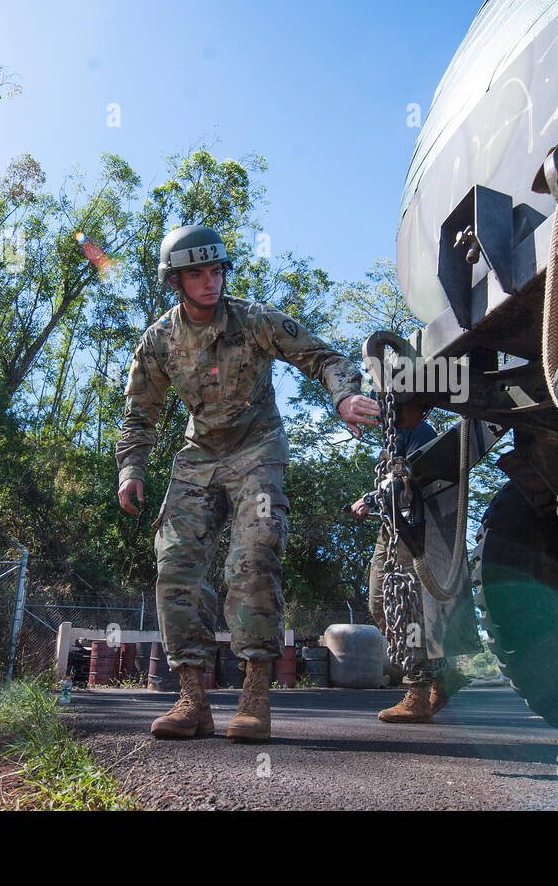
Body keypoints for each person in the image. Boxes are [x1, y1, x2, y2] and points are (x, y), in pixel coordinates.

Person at [117, 224, 379, 741]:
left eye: (216, 270)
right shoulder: (160, 339)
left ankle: (255, 696)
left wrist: (344, 396)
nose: (211, 281)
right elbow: (139, 412)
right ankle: (192, 701)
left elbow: (322, 357)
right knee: (174, 567)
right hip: (197, 458)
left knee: (254, 558)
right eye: (197, 273)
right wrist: (132, 468)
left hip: (258, 450)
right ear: (177, 280)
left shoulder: (255, 320)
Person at [349, 401, 467, 723]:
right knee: (379, 604)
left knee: (407, 607)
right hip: (391, 526)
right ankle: (443, 676)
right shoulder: (393, 437)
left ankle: (417, 693)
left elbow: (410, 476)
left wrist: (370, 499)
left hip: (415, 528)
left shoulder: (419, 431)